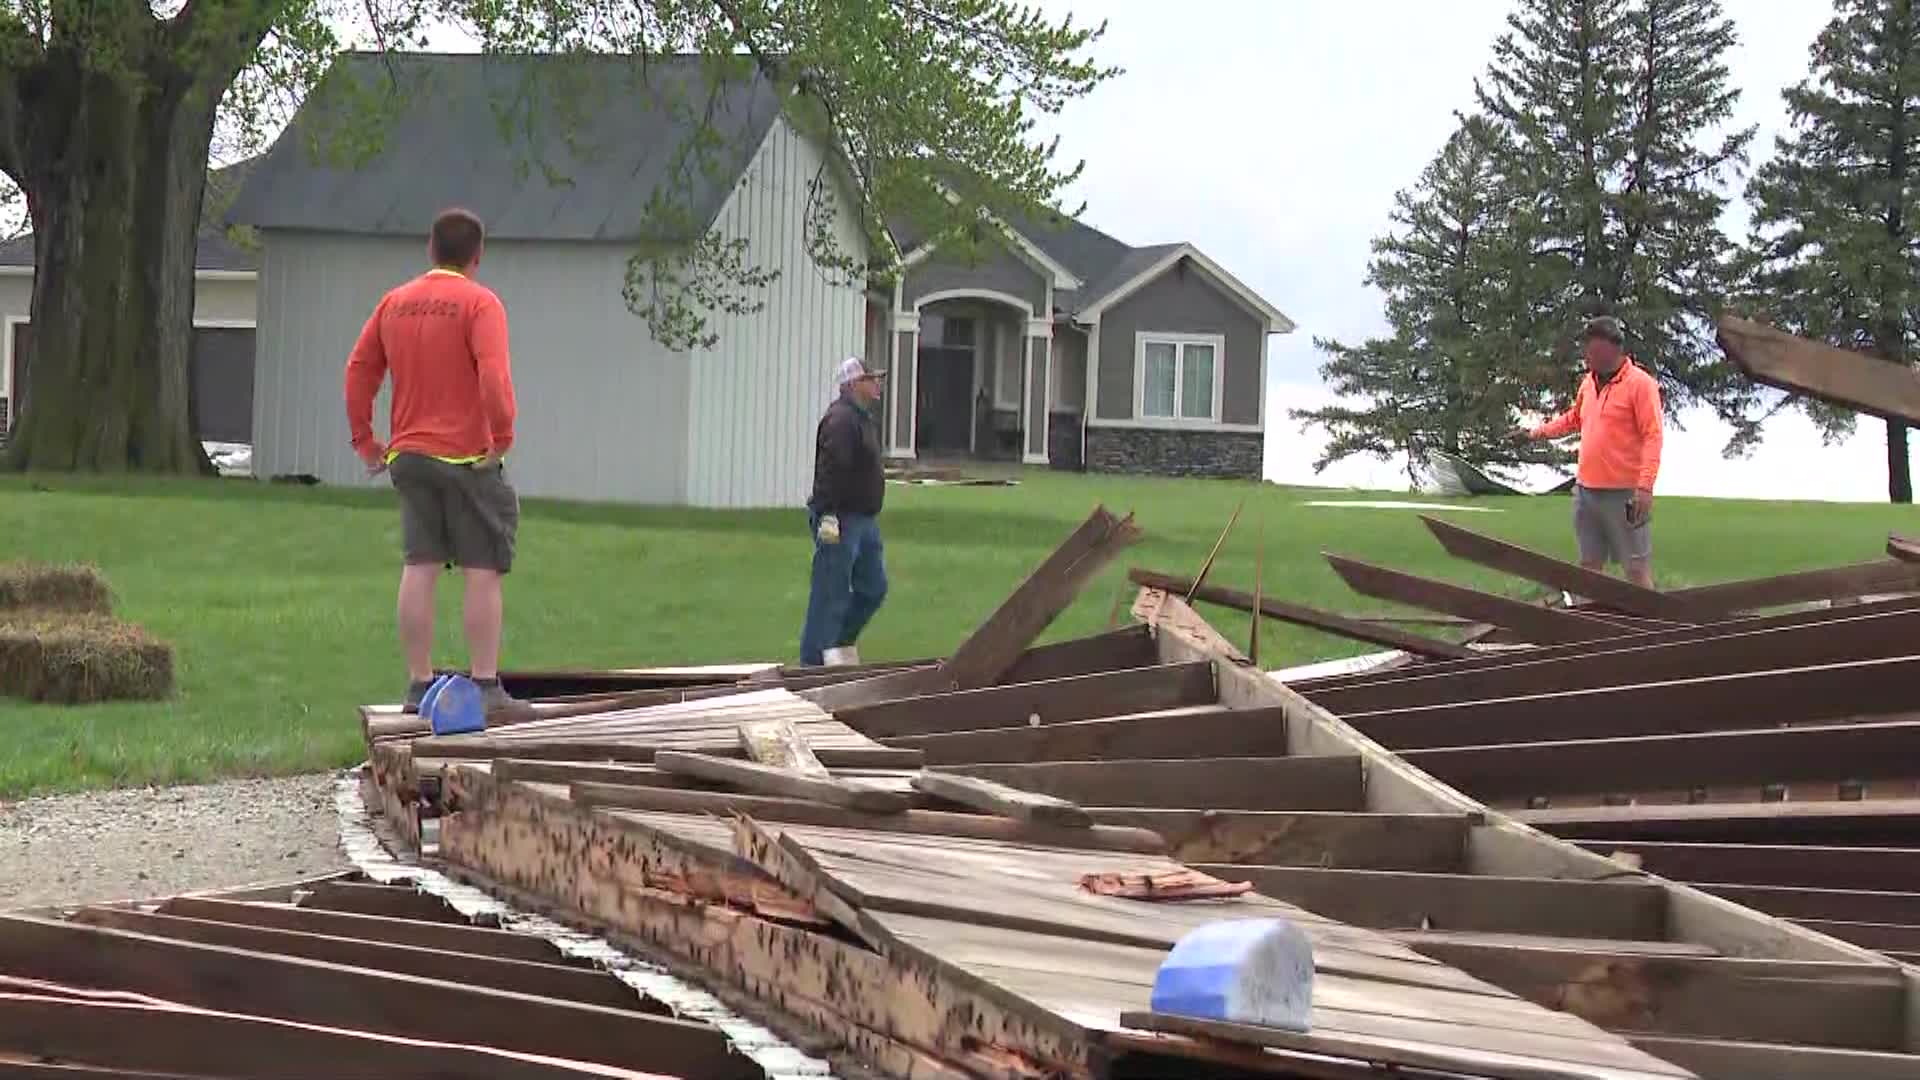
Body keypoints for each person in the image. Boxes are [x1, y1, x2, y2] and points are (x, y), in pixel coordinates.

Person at [344, 207, 522, 714]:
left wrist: (366, 441)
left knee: (419, 565)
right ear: (477, 255)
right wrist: (502, 435)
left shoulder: (394, 302)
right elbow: (493, 376)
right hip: (467, 457)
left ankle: (420, 684)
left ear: (431, 249)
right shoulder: (480, 303)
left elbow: (359, 370)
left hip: (409, 456)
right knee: (481, 566)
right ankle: (485, 687)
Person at [1517, 315, 1664, 587]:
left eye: (1594, 350)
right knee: (1589, 566)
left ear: (1613, 348)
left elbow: (1652, 436)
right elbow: (1574, 418)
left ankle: (1652, 615)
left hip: (1624, 494)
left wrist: (1645, 487)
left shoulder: (1641, 385)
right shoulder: (1588, 383)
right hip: (1586, 492)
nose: (1588, 356)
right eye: (1587, 349)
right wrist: (1536, 433)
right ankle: (1591, 615)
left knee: (1635, 567)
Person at [800, 357, 889, 666]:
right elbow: (831, 471)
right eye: (870, 378)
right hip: (840, 519)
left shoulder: (861, 418)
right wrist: (828, 514)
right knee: (829, 595)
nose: (877, 383)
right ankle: (813, 666)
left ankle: (837, 646)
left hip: (865, 520)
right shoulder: (840, 420)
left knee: (874, 588)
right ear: (853, 384)